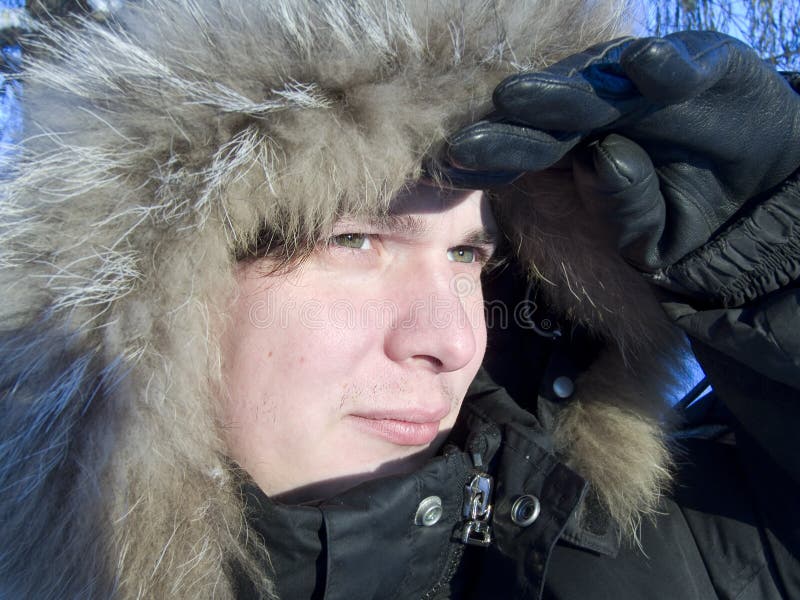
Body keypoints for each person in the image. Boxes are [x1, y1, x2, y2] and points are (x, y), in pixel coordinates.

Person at [0, 0, 797, 598]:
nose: (453, 341)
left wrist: (780, 269)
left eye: (468, 254)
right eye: (353, 240)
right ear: (157, 285)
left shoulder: (645, 542)